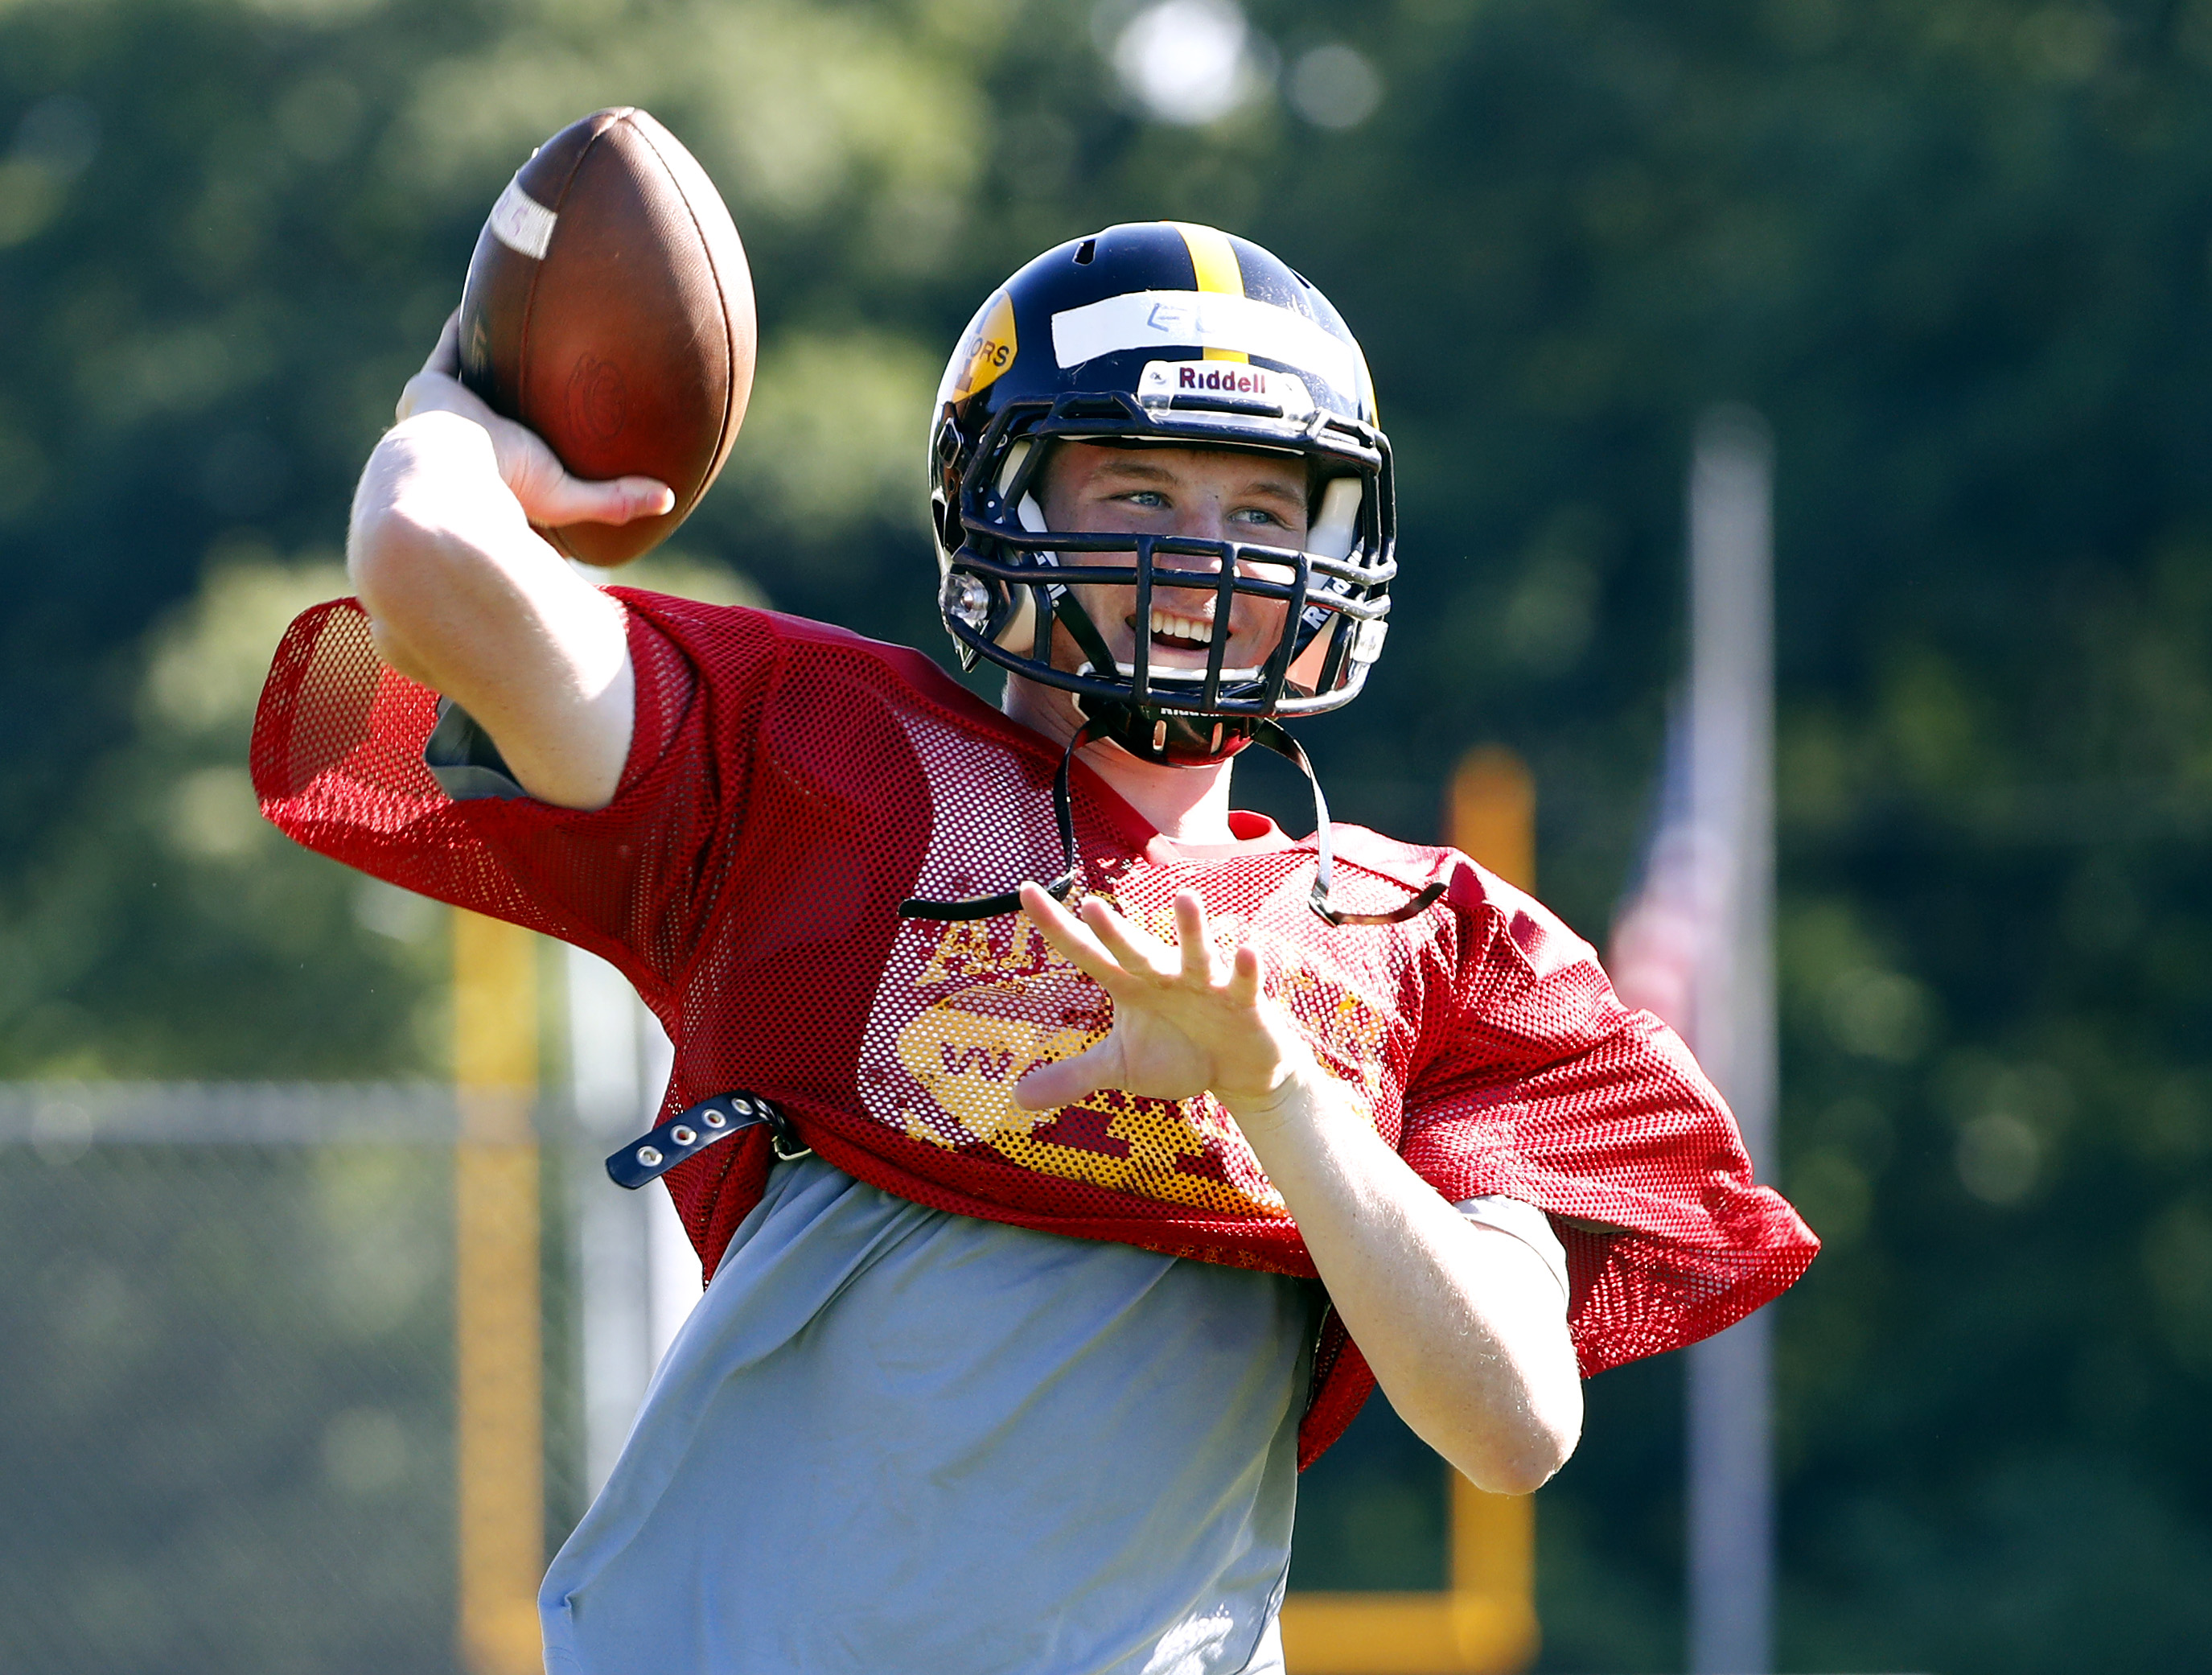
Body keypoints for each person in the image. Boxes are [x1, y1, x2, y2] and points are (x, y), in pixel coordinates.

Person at [253, 220, 1816, 1674]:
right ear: (999, 501)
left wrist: (1277, 1098)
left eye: (1261, 507)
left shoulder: (1425, 942)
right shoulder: (825, 774)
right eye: (1139, 495)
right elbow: (429, 572)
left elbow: (1511, 1422)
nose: (1206, 554)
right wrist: (455, 416)